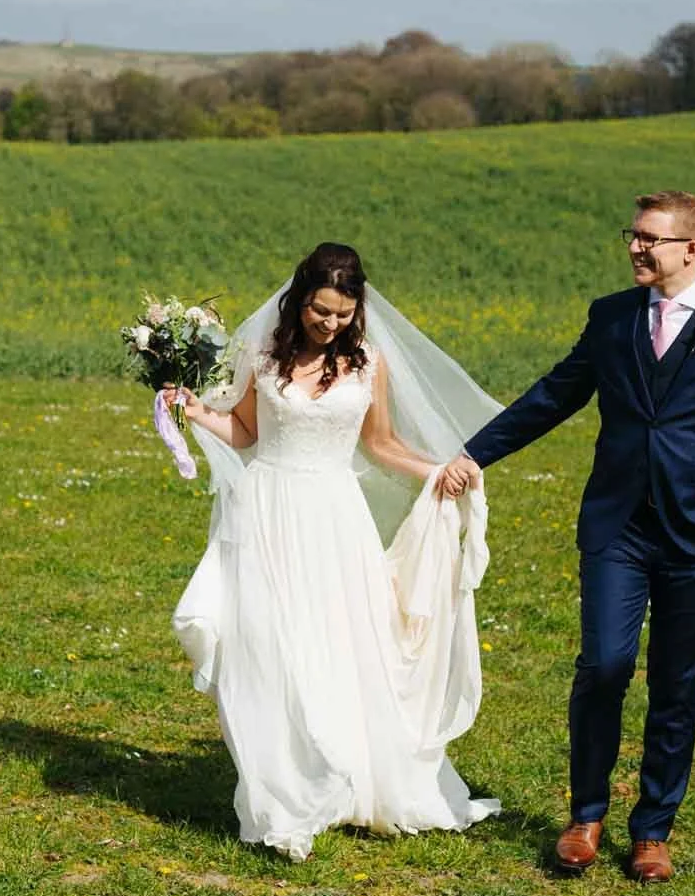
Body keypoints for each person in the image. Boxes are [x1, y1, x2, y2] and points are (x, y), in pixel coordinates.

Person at [440, 191, 695, 881]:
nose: (635, 247)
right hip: (617, 528)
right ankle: (586, 815)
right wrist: (474, 453)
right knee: (603, 664)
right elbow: (553, 395)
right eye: (632, 235)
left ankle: (653, 829)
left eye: (650, 238)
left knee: (675, 683)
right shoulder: (610, 318)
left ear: (691, 250)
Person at [165, 242, 503, 861]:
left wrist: (438, 473)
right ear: (299, 301)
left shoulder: (367, 364)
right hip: (266, 509)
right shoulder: (265, 360)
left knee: (341, 646)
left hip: (333, 519)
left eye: (342, 314)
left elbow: (381, 444)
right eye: (320, 310)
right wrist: (192, 409)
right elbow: (245, 432)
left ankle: (348, 778)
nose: (330, 323)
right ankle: (283, 792)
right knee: (266, 646)